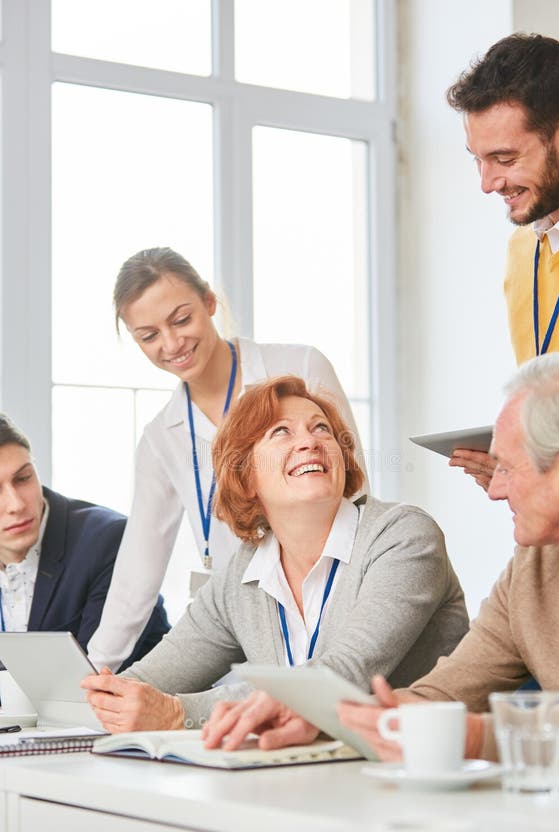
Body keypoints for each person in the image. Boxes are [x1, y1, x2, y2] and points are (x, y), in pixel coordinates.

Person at [81, 376, 468, 733]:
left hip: (425, 774)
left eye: (322, 429)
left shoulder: (404, 536)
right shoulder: (245, 572)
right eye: (281, 431)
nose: (310, 442)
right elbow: (156, 675)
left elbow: (345, 673)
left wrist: (178, 713)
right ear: (246, 477)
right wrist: (110, 696)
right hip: (314, 779)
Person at [86, 248, 366, 673]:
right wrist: (94, 671)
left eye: (182, 320)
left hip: (332, 599)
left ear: (210, 303)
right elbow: (137, 569)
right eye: (149, 336)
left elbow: (354, 489)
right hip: (246, 623)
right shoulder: (162, 437)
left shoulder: (299, 366)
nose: (172, 344)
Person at [336, 349, 559, 771]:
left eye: (508, 469)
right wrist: (331, 721)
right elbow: (443, 693)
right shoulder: (532, 568)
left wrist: (481, 738)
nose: (494, 491)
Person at [445, 34, 559, 490]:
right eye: (478, 160)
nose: (488, 183)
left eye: (505, 159)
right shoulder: (522, 248)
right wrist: (522, 462)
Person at [0, 415, 169, 668]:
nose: (16, 505)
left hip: (124, 702)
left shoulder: (109, 541)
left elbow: (92, 678)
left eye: (23, 478)